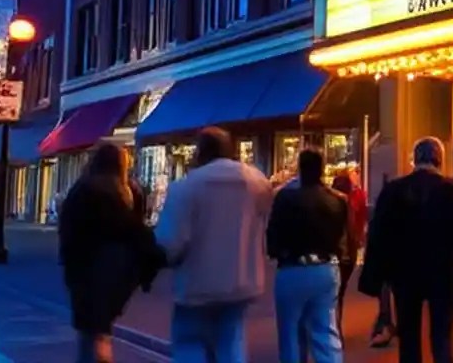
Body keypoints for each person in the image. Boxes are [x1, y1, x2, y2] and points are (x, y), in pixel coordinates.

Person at [156, 127, 272, 363]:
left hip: (196, 285)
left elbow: (171, 243)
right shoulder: (257, 183)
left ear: (201, 152)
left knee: (191, 344)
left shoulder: (185, 188)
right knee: (232, 343)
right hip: (241, 283)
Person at [359, 137, 453, 363]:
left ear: (415, 159)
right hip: (443, 272)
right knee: (442, 336)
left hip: (405, 274)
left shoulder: (394, 191)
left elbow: (379, 234)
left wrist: (376, 275)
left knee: (409, 336)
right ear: (439, 159)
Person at [59, 144, 161, 363]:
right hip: (117, 274)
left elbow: (69, 235)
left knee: (89, 335)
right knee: (100, 331)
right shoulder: (127, 195)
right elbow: (136, 231)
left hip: (86, 272)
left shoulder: (83, 192)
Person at [268, 149, 347, 363]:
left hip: (293, 267)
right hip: (326, 267)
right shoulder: (338, 200)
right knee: (325, 330)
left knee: (290, 332)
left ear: (300, 167)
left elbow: (273, 237)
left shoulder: (286, 198)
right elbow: (342, 237)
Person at [330, 169, 369, 339]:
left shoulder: (331, 203)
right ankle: (336, 325)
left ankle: (333, 326)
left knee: (333, 294)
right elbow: (355, 228)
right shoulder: (350, 203)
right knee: (340, 292)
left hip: (334, 255)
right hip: (347, 256)